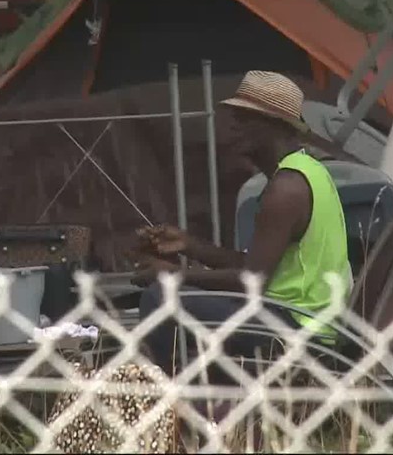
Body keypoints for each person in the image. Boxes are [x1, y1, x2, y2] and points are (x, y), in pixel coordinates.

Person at [133, 70, 352, 379]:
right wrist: (189, 244)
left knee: (159, 299)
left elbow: (251, 282)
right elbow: (255, 266)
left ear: (272, 125)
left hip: (298, 330)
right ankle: (194, 397)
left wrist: (174, 274)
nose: (231, 129)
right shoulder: (304, 171)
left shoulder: (286, 189)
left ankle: (169, 407)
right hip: (294, 318)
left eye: (242, 119)